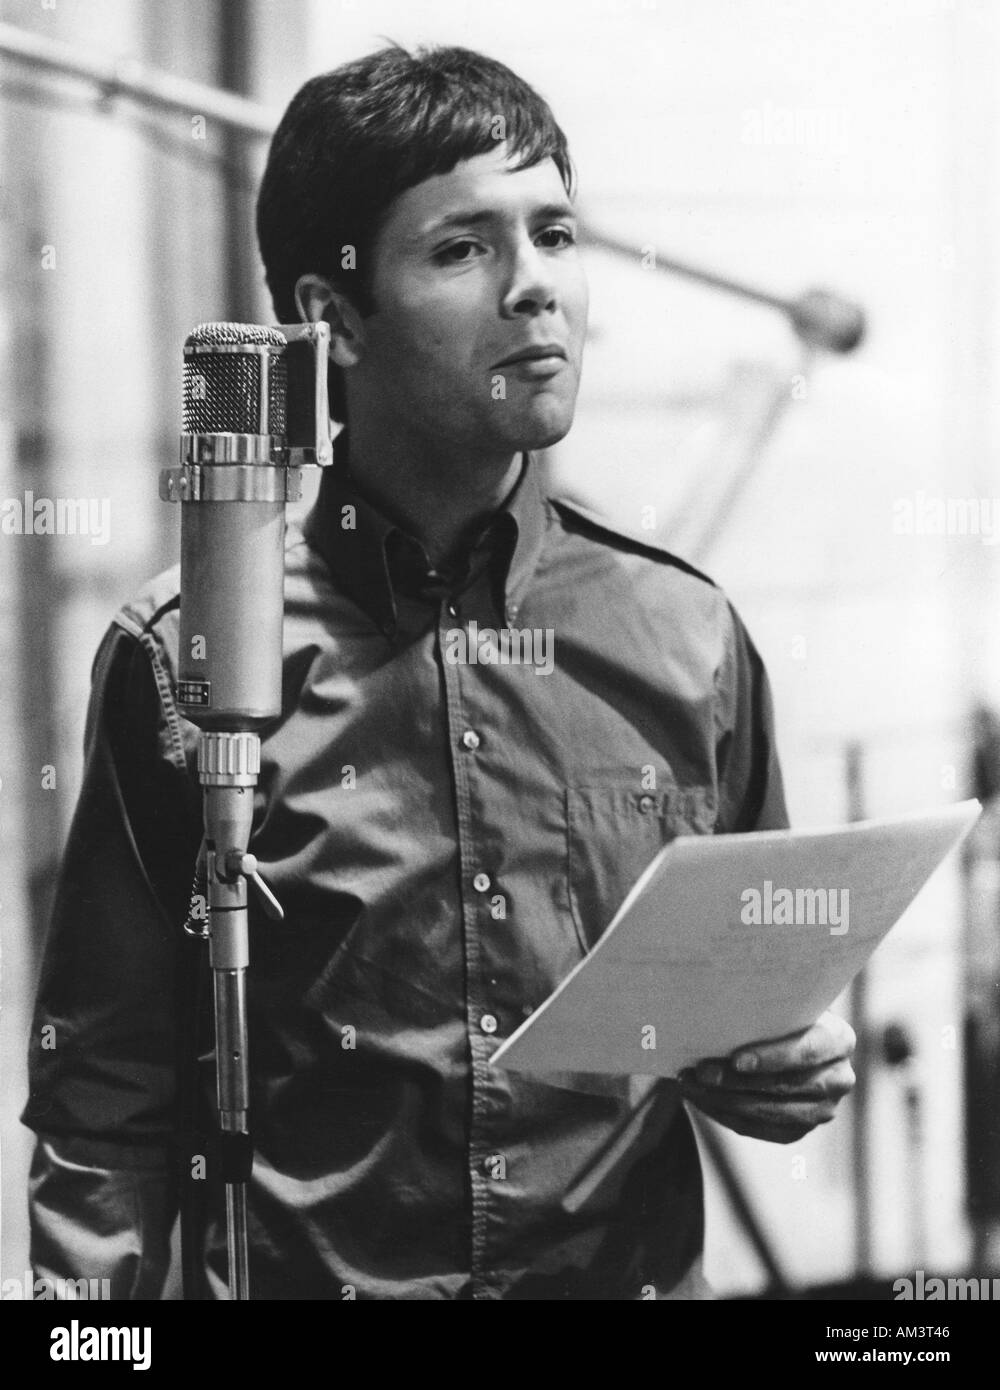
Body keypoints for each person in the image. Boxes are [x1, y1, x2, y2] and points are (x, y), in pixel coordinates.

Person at [23, 42, 855, 1301]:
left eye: (557, 235)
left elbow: (750, 1030)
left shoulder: (688, 639)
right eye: (464, 249)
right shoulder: (185, 661)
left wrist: (786, 1067)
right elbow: (105, 1112)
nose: (537, 291)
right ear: (332, 317)